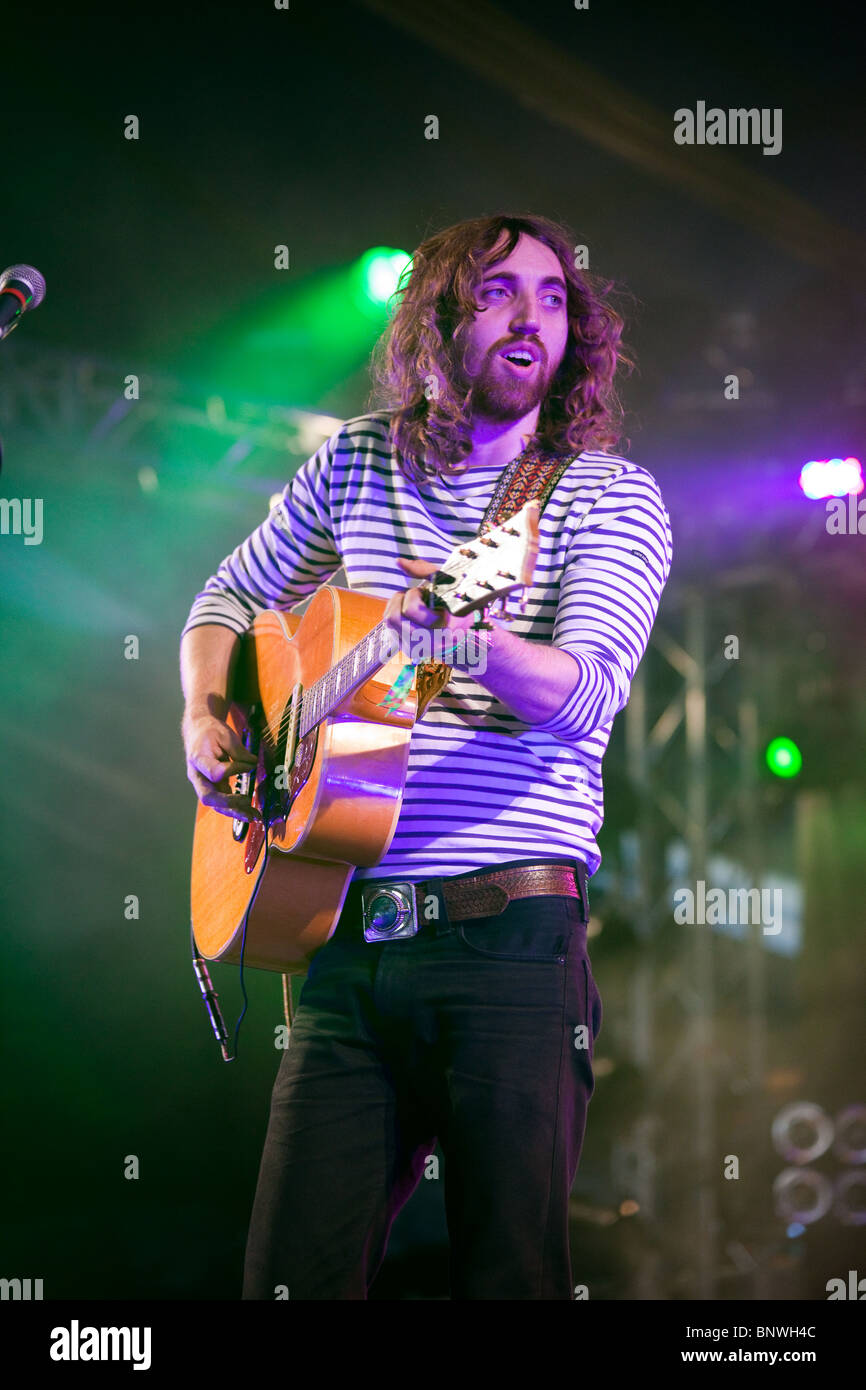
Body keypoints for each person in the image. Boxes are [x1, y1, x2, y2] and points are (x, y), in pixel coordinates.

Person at [179, 212, 673, 1299]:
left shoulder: (603, 496)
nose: (529, 318)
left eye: (551, 299)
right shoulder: (354, 463)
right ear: (436, 318)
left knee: (507, 1277)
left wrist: (467, 642)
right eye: (498, 292)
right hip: (344, 938)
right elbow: (224, 600)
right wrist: (206, 716)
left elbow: (585, 695)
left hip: (507, 943)